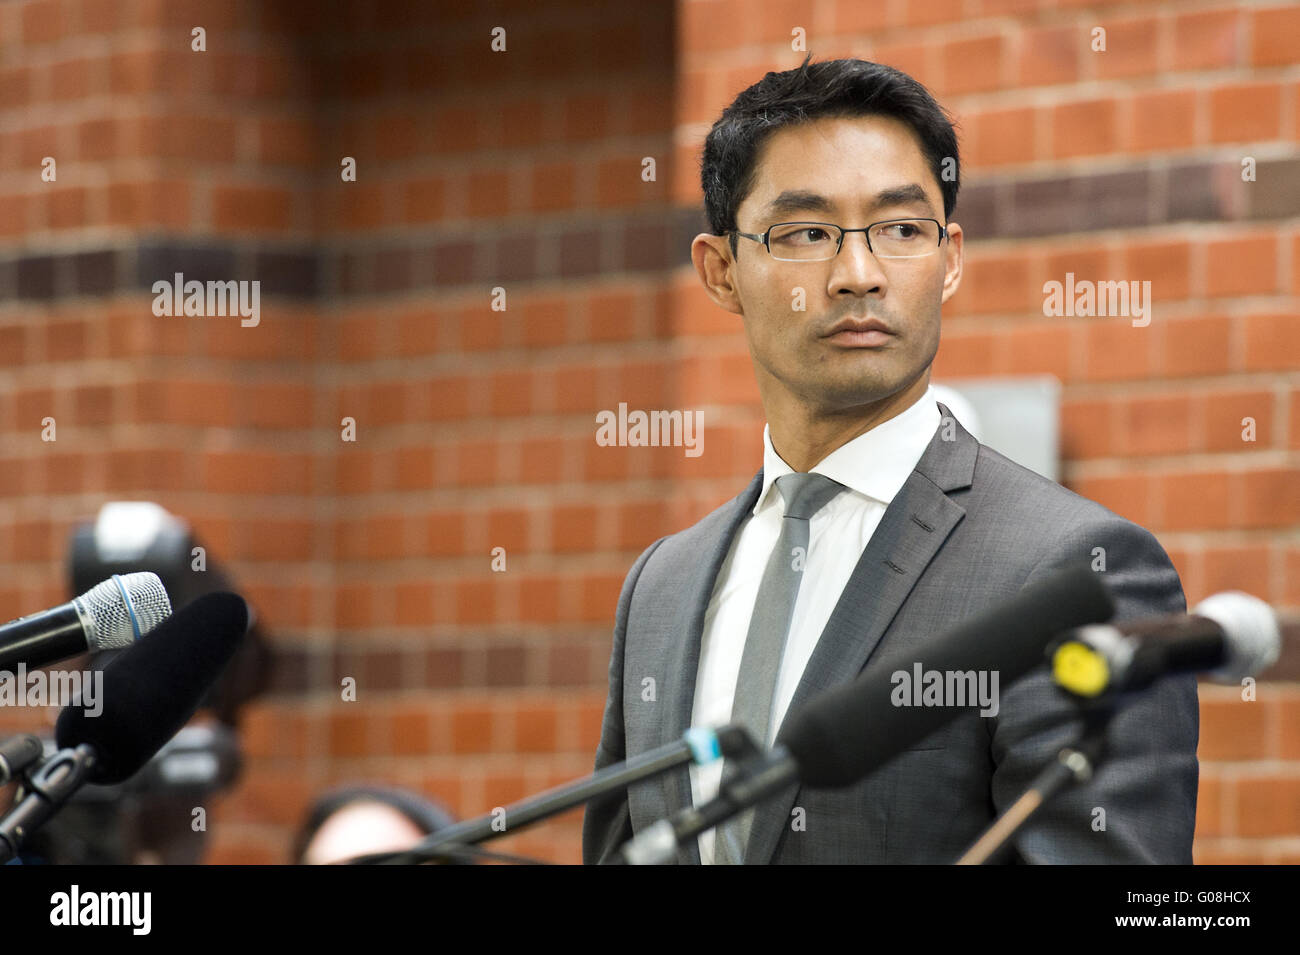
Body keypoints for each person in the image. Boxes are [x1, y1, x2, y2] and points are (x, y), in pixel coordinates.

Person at [583, 56, 1198, 864]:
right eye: (806, 233)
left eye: (902, 230)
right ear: (721, 270)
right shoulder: (660, 587)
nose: (858, 275)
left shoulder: (1074, 570)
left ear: (949, 261)